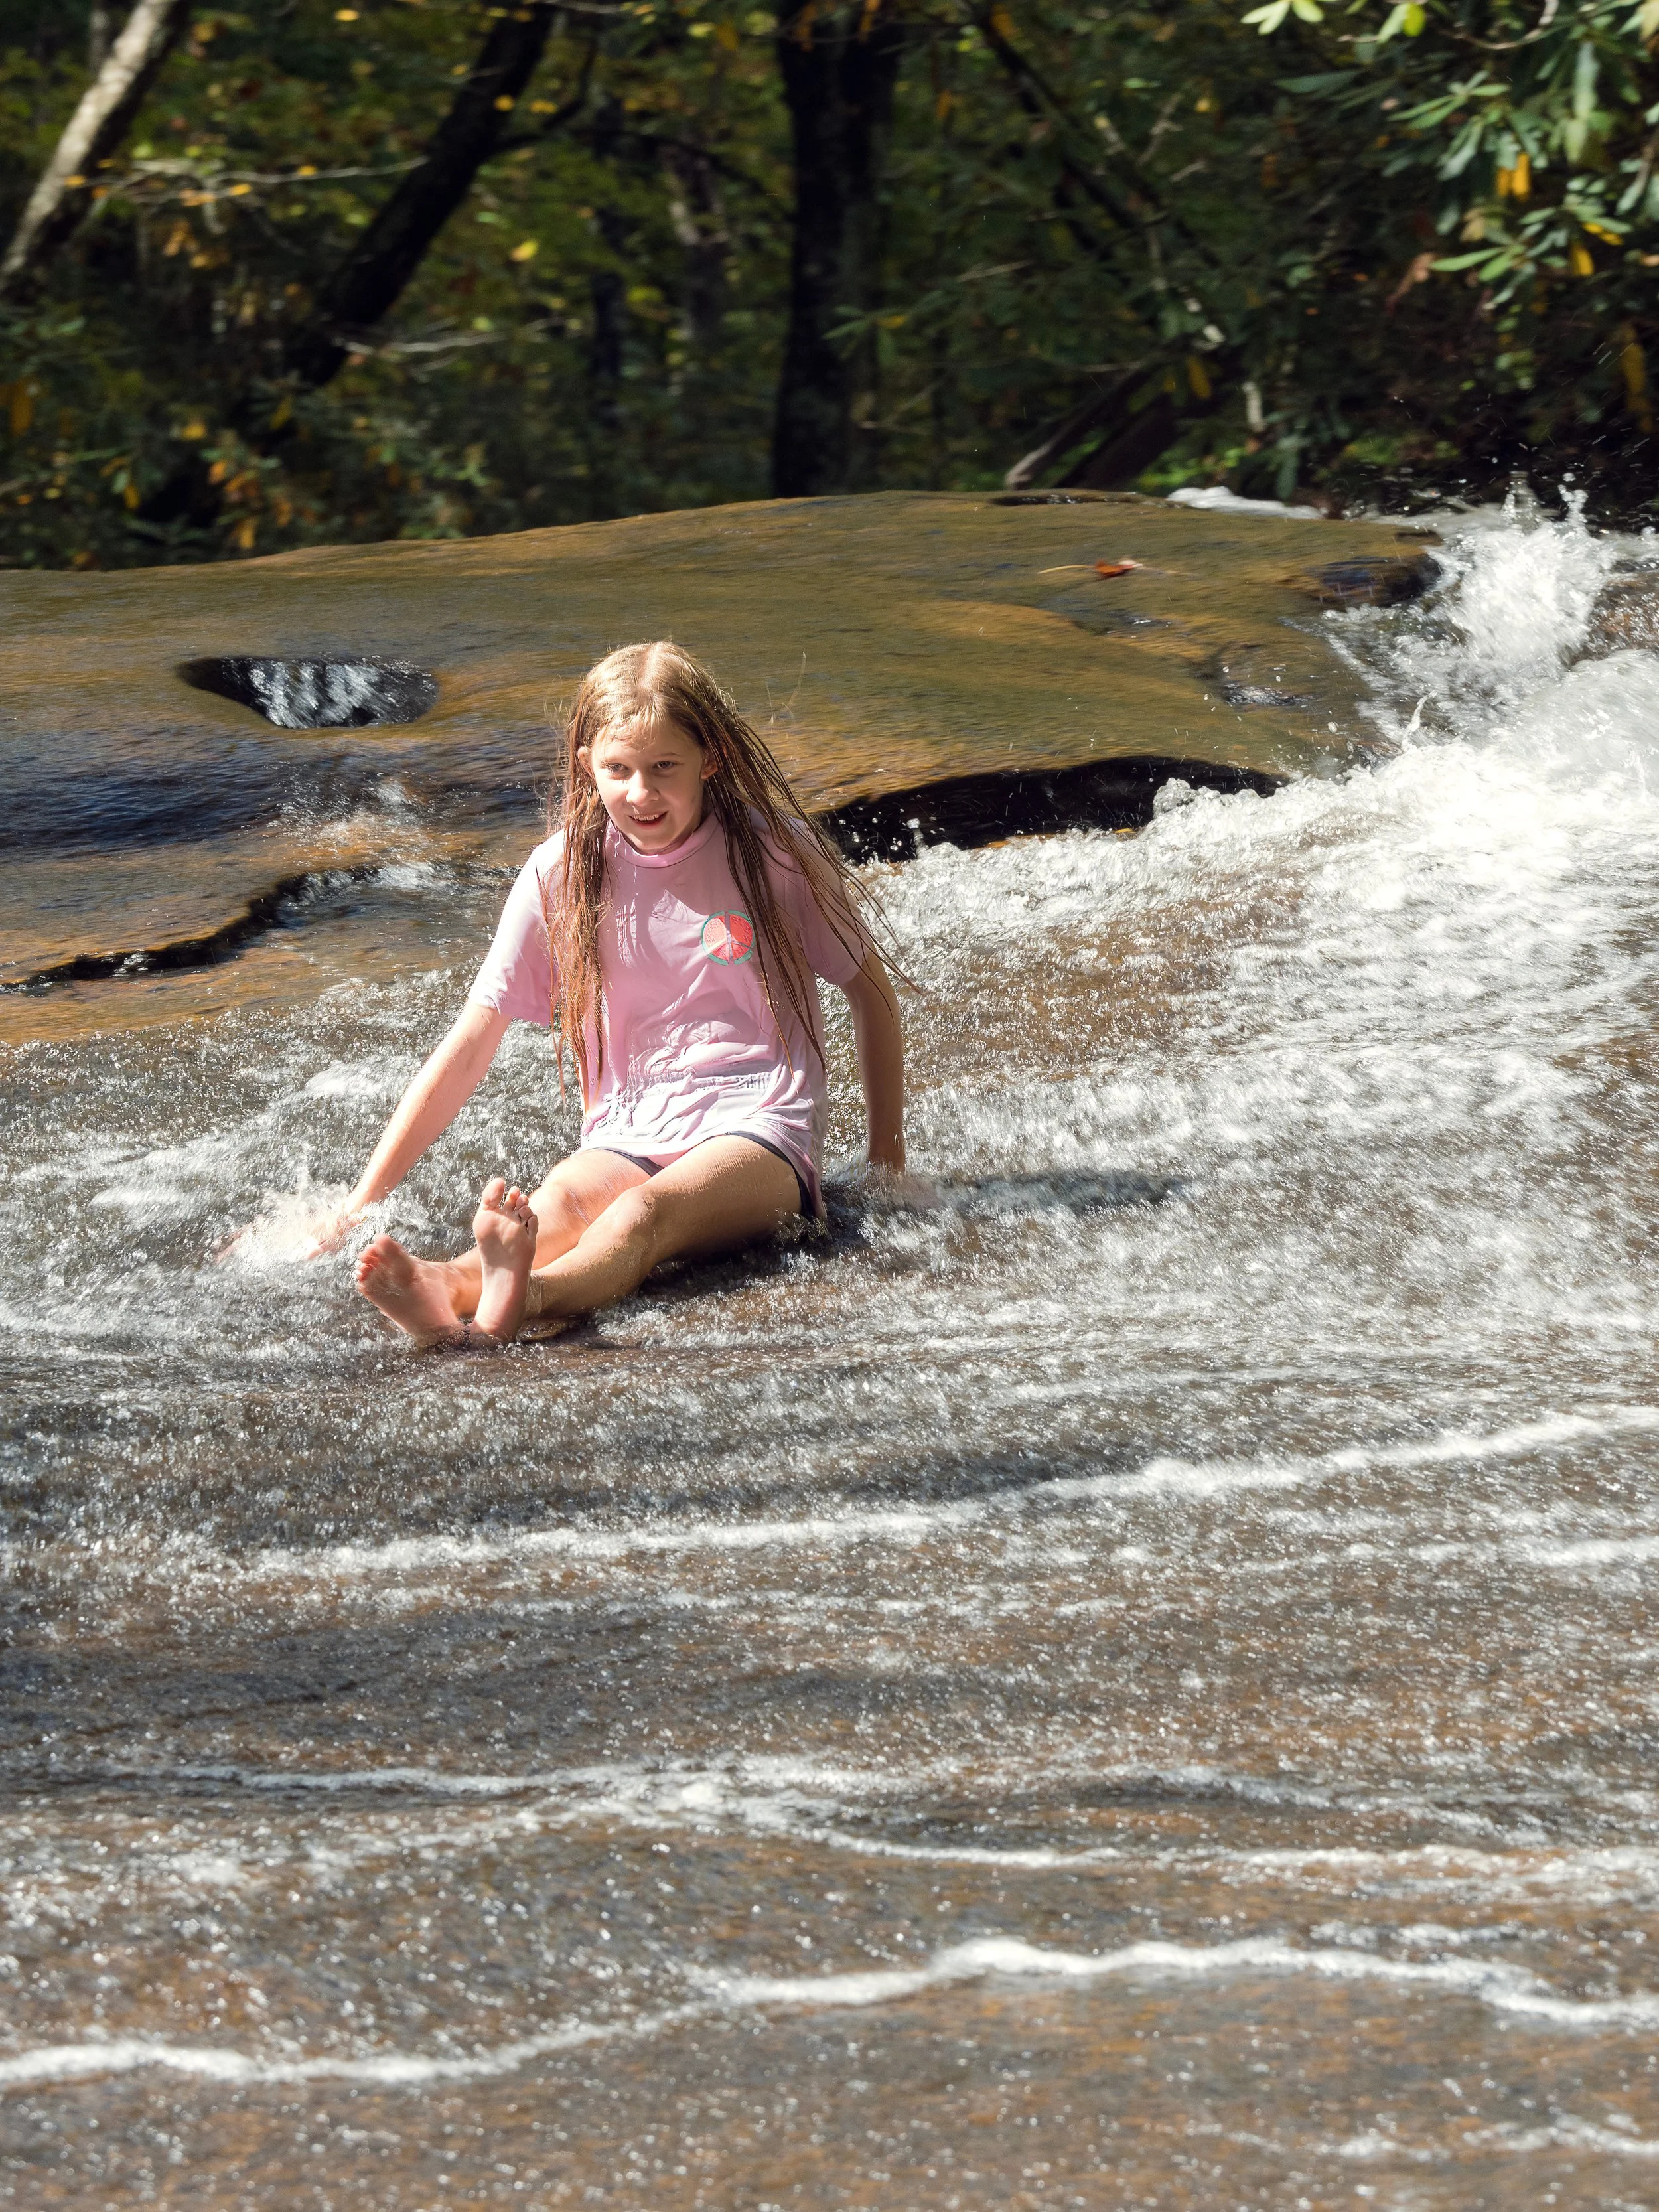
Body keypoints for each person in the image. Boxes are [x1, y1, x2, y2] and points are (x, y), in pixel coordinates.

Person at [308, 640, 907, 1349]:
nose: (640, 793)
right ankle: (446, 1284)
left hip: (760, 1125)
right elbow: (471, 1042)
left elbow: (871, 995)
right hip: (628, 1127)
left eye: (664, 768)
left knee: (640, 1216)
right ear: (587, 762)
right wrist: (358, 1203)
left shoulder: (777, 851)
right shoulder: (559, 872)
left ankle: (522, 1297)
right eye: (619, 769)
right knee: (559, 1202)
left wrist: (888, 1168)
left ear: (710, 758)